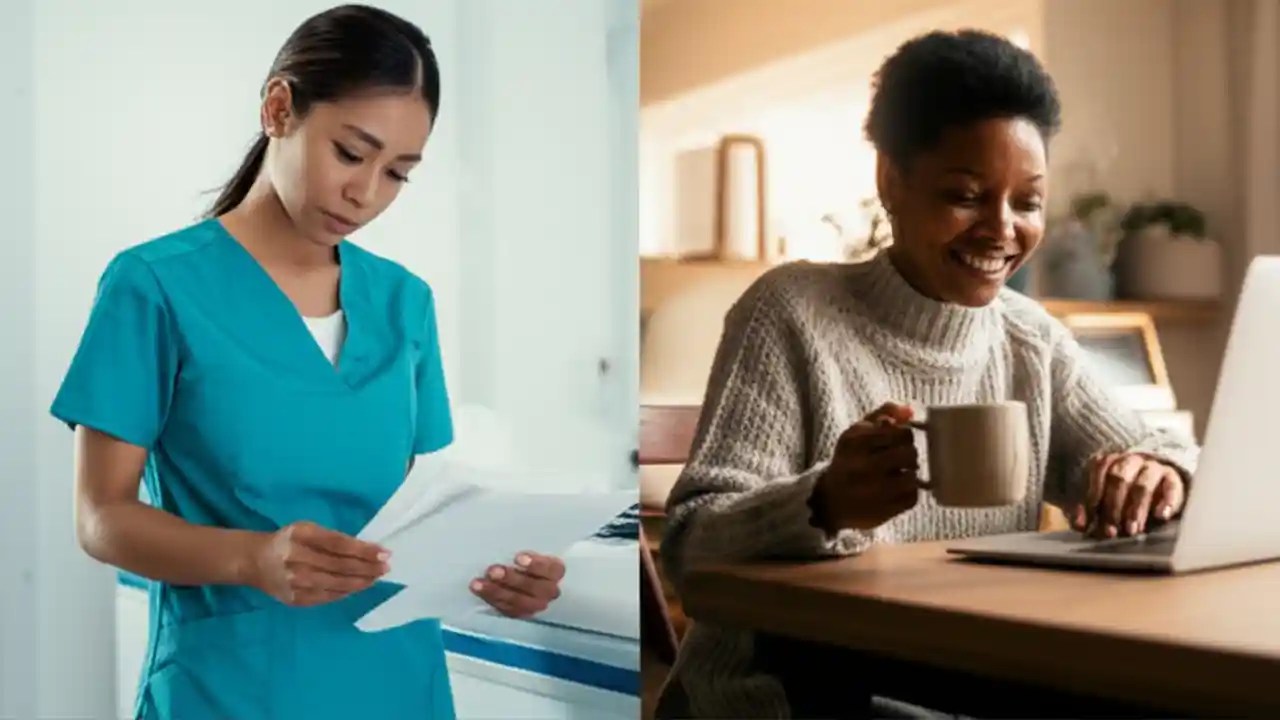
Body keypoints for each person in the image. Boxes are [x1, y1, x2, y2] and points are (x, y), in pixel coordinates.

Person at [656, 29, 1200, 719]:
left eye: (1027, 202)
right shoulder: (790, 312)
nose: (1001, 230)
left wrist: (1161, 472)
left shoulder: (1032, 341)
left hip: (963, 675)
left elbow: (1167, 452)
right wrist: (823, 503)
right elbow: (688, 545)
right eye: (966, 194)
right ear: (890, 181)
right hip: (784, 693)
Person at [50, 6, 565, 719]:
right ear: (278, 107)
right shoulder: (155, 286)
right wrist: (251, 559)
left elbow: (420, 514)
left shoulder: (403, 303)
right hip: (230, 688)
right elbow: (101, 517)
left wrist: (501, 575)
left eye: (398, 174)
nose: (367, 193)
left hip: (398, 683)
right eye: (351, 153)